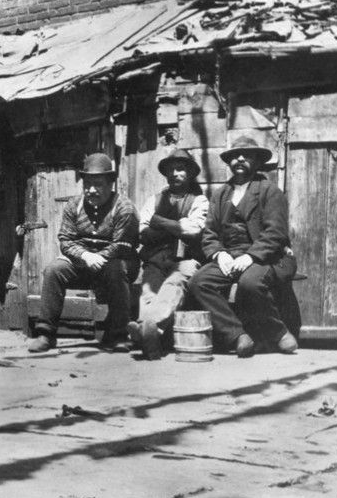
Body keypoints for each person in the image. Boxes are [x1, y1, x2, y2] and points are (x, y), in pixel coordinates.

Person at [187, 135, 299, 357]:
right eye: (234, 156)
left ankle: (278, 332)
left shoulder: (269, 191)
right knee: (199, 282)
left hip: (268, 256)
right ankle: (237, 335)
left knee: (250, 283)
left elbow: (275, 233)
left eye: (246, 155)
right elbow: (210, 233)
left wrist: (250, 257)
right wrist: (219, 254)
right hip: (230, 257)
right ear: (229, 162)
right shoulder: (220, 194)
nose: (239, 159)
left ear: (257, 161)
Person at [28, 152, 139, 353]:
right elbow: (65, 240)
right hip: (83, 262)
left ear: (111, 183)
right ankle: (46, 333)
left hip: (115, 263)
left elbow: (123, 245)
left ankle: (119, 335)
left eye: (98, 184)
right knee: (54, 270)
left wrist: (99, 257)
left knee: (116, 268)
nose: (91, 190)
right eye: (87, 184)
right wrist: (85, 256)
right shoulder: (74, 205)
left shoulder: (124, 208)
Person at [127, 148, 209, 360]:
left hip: (185, 260)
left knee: (174, 284)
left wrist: (159, 222)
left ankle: (146, 329)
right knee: (149, 291)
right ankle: (151, 335)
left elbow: (193, 230)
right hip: (156, 258)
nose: (174, 174)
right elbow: (143, 233)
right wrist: (177, 226)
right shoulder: (154, 200)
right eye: (171, 170)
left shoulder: (199, 201)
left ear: (190, 173)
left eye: (180, 169)